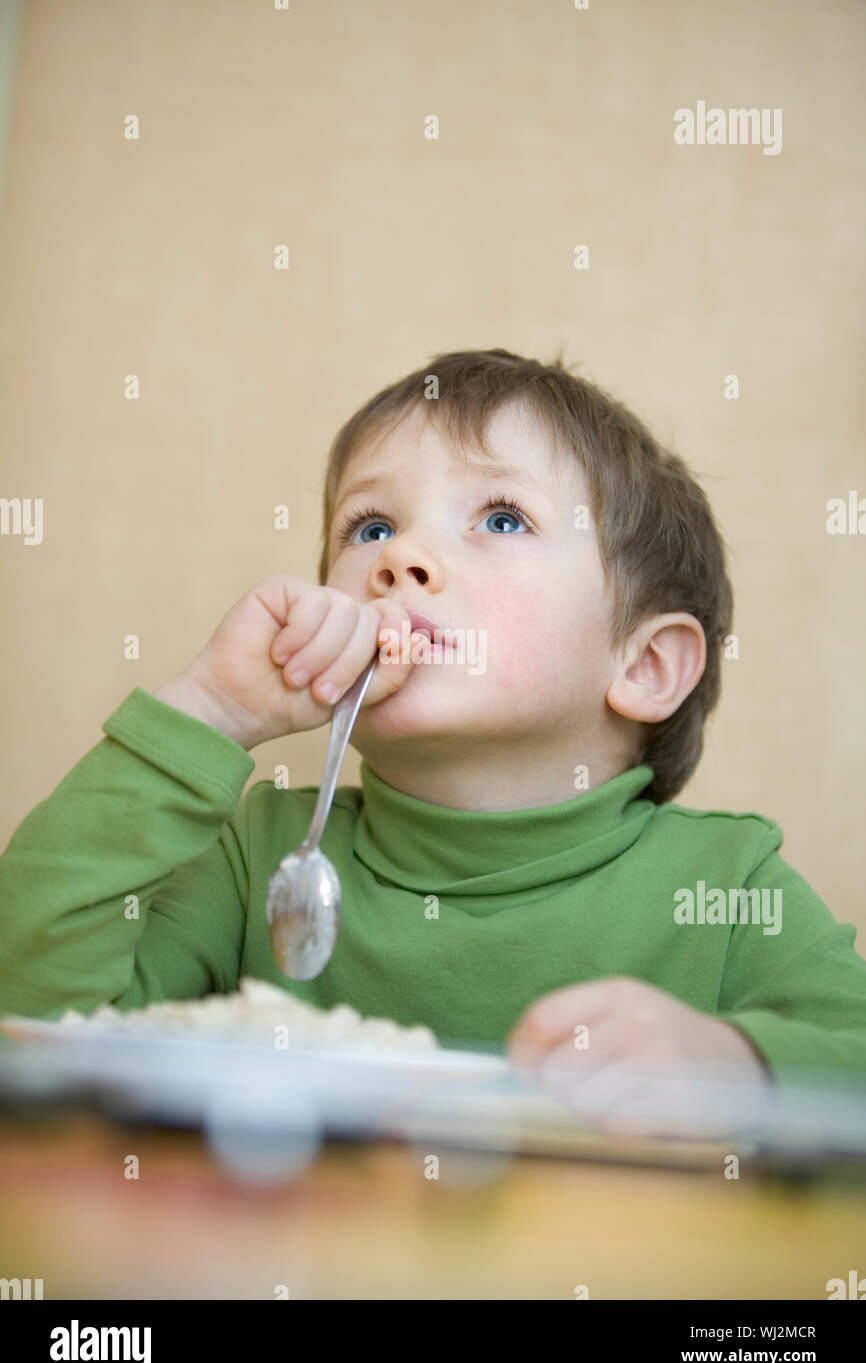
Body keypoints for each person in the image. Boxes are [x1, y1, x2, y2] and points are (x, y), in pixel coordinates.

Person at [2, 348, 864, 1138]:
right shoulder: (255, 856)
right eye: (370, 528)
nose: (400, 557)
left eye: (500, 518)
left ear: (643, 664)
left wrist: (736, 1068)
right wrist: (212, 709)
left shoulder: (726, 883)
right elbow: (34, 1020)